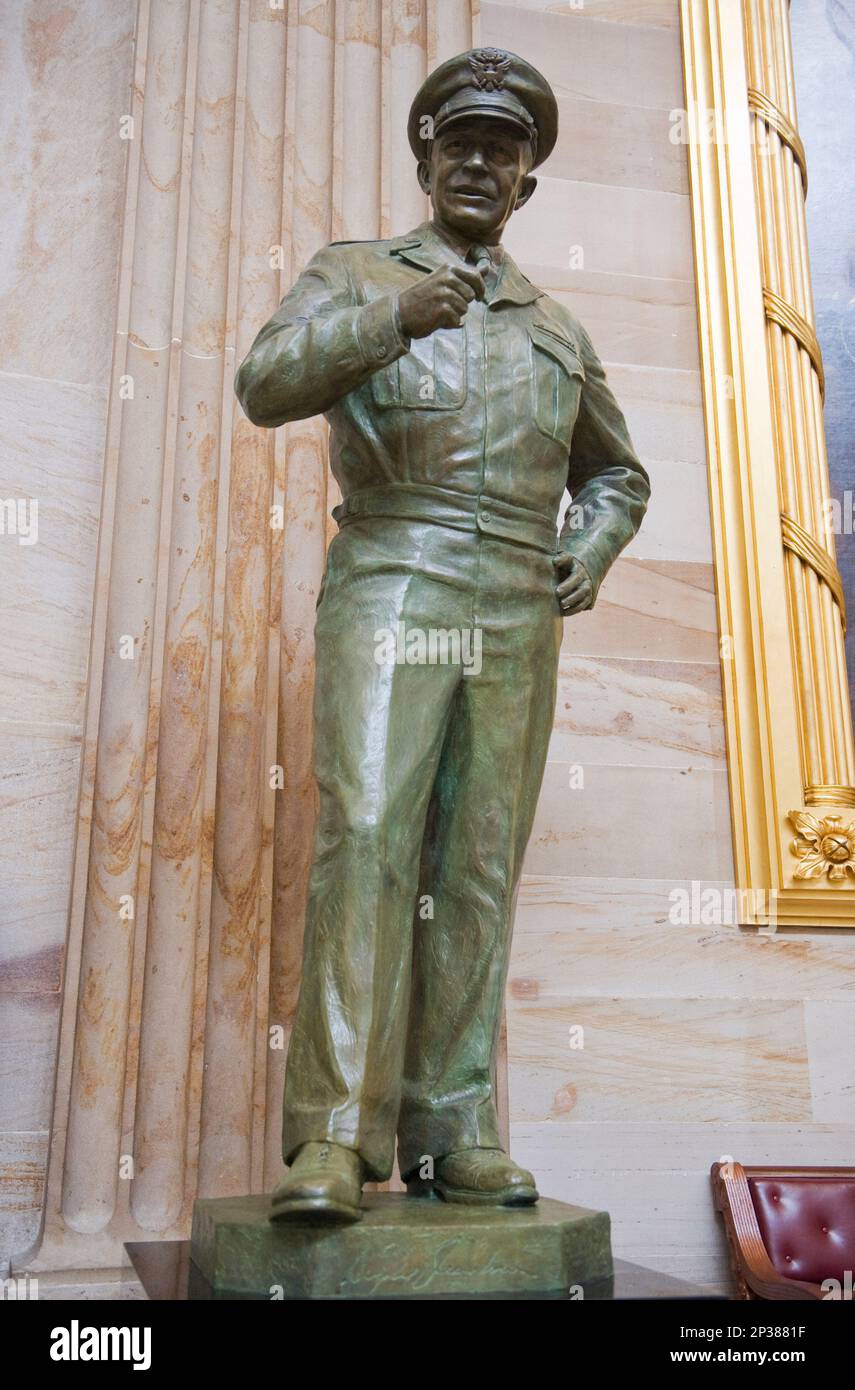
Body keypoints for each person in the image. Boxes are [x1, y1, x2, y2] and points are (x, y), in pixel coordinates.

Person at [235, 46, 651, 1223]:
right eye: (460, 141)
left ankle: (455, 1124)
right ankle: (331, 1136)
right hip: (395, 572)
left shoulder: (553, 327)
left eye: (505, 151)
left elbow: (620, 471)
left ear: (527, 186)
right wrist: (389, 317)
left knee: (474, 860)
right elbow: (265, 382)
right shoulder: (357, 271)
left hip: (517, 603)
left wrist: (595, 541)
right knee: (366, 832)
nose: (481, 161)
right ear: (426, 157)